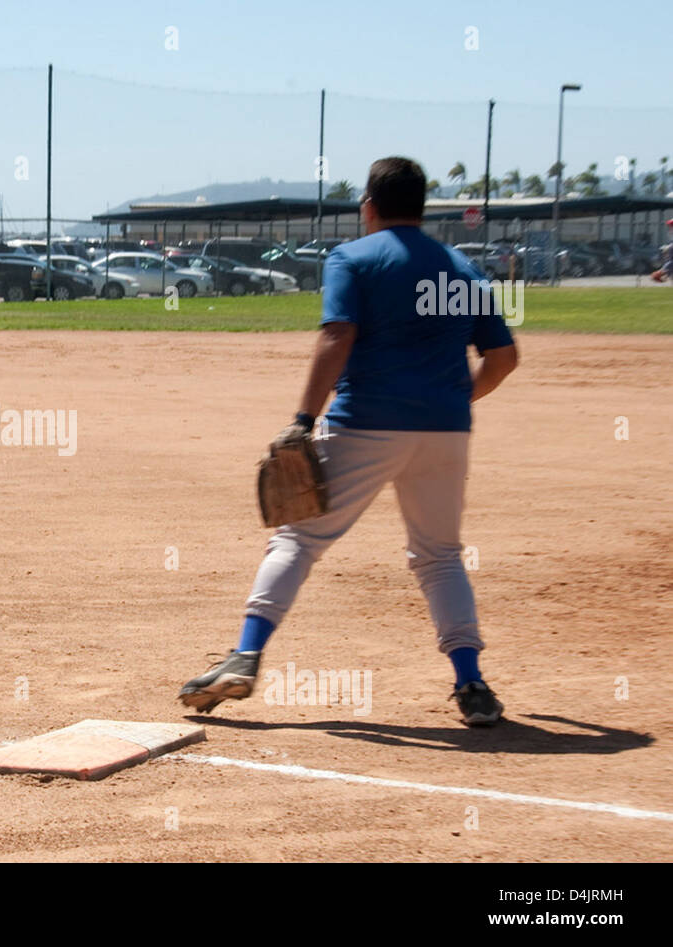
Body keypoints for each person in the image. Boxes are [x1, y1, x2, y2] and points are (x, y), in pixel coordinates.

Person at [178, 157, 520, 727]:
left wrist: (302, 419)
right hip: (445, 432)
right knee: (439, 557)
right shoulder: (464, 269)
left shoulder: (354, 259)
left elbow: (338, 336)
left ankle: (245, 654)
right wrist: (456, 402)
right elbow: (504, 359)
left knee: (297, 540)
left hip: (365, 420)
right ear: (421, 206)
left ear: (370, 207)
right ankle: (472, 685)